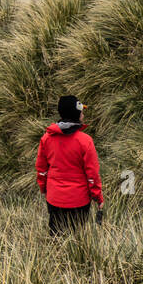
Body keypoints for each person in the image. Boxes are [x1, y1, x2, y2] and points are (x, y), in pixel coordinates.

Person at [37, 94, 104, 235]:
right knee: (77, 236)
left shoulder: (46, 138)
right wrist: (98, 197)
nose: (83, 114)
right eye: (81, 111)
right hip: (79, 200)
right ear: (77, 114)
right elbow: (92, 175)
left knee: (55, 237)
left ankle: (54, 257)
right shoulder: (85, 141)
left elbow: (41, 170)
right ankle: (75, 257)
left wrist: (44, 189)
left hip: (54, 197)